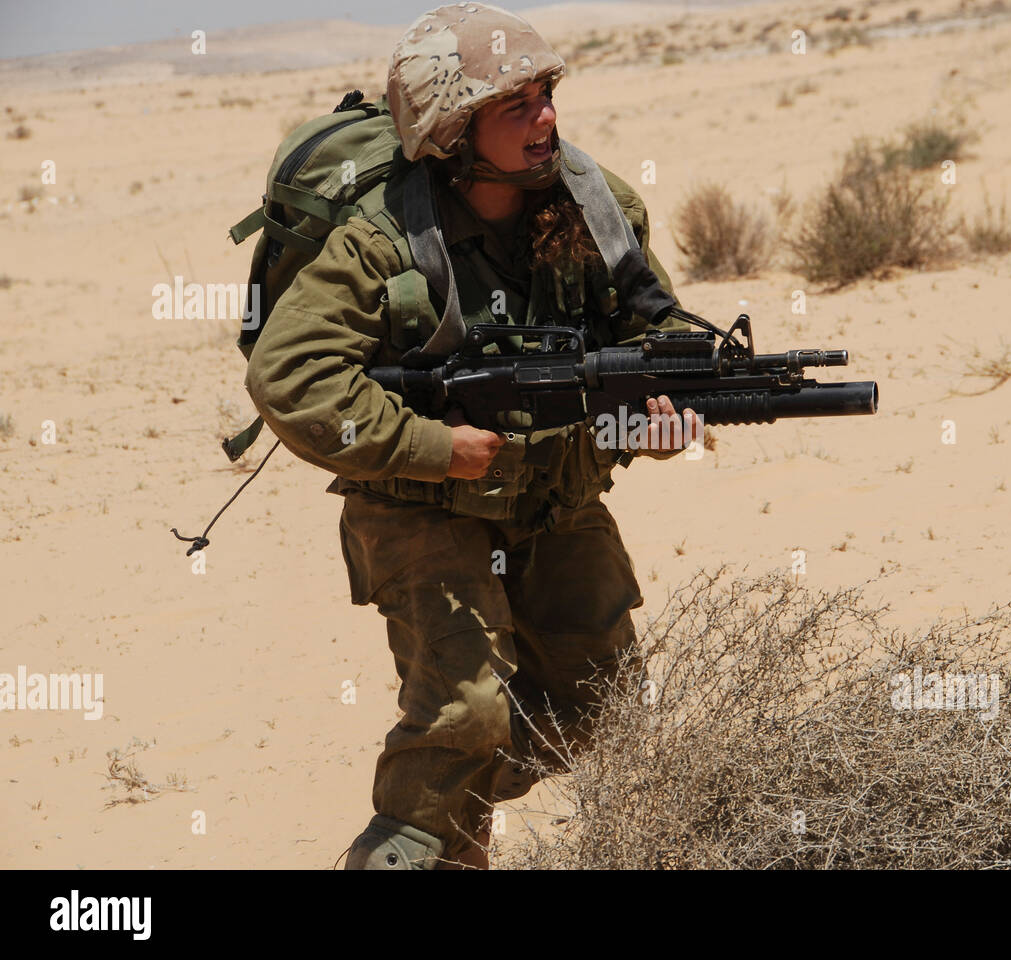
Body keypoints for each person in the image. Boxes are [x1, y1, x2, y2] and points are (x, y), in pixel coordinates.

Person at [243, 2, 699, 869]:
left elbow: (655, 337)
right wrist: (429, 447)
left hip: (555, 494)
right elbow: (290, 377)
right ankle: (408, 846)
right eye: (515, 106)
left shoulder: (599, 208)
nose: (546, 120)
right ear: (453, 129)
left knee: (600, 708)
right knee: (468, 718)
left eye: (547, 96)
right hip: (420, 507)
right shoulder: (378, 239)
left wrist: (659, 410)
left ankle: (453, 818)